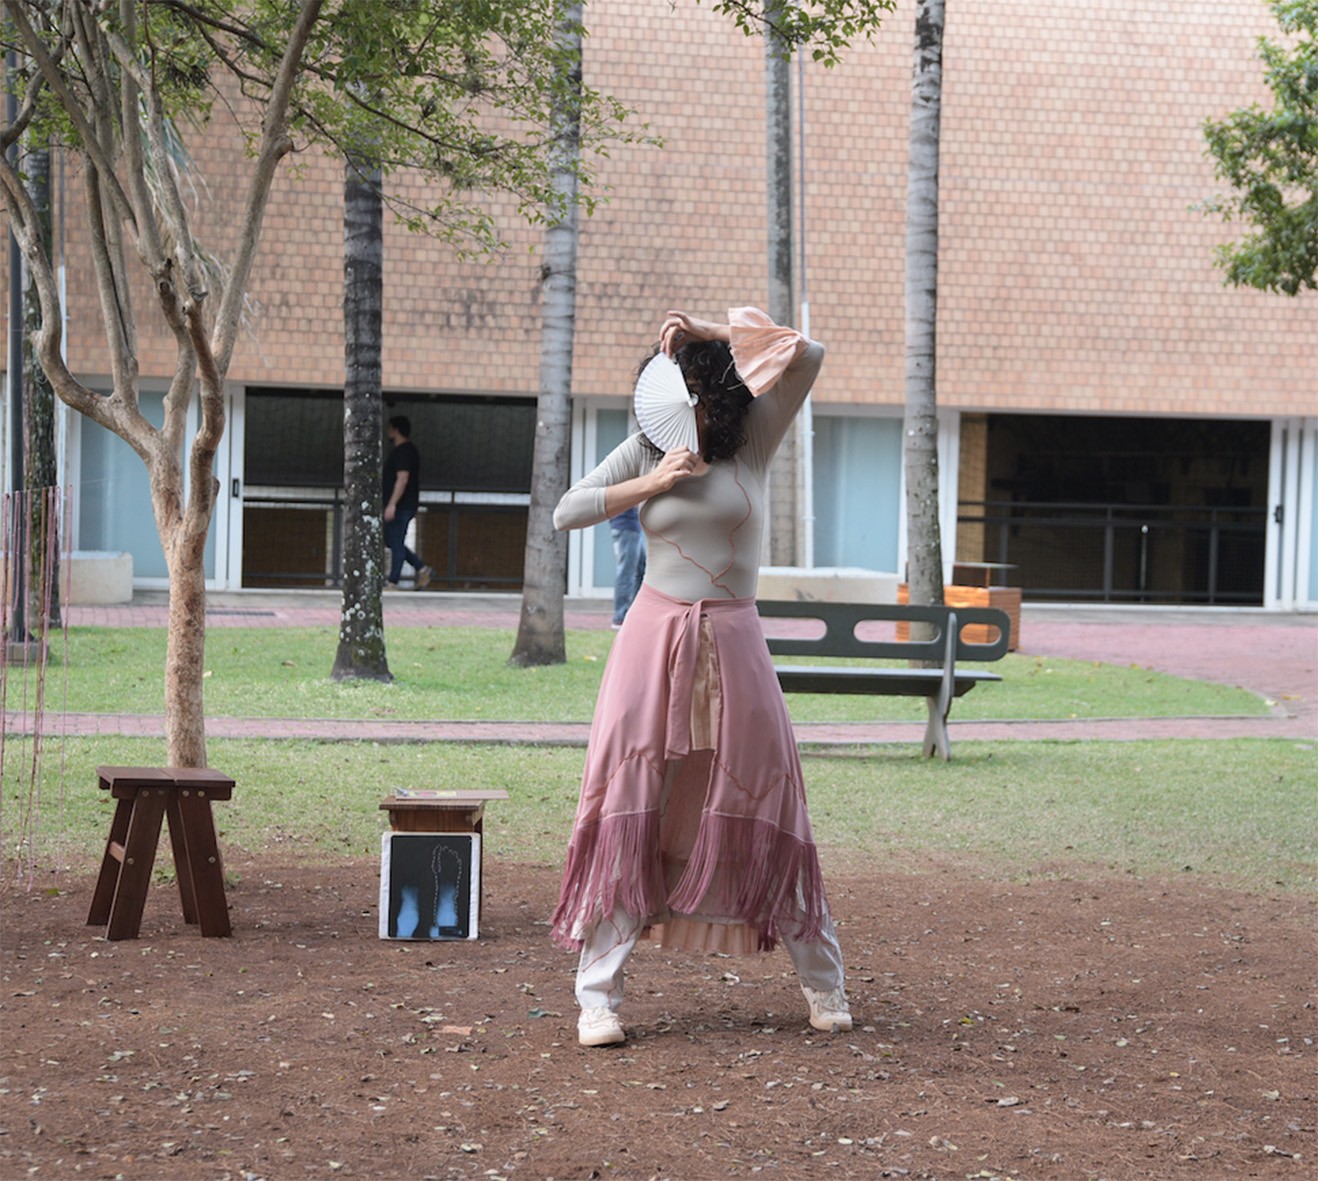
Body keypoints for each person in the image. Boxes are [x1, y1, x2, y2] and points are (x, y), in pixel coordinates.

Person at [550, 306, 850, 1048]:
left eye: (695, 384)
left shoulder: (755, 439)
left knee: (767, 795)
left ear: (718, 389)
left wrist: (712, 331)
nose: (687, 402)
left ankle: (824, 981)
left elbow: (806, 352)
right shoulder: (648, 445)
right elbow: (567, 510)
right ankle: (598, 998)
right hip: (653, 640)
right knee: (633, 798)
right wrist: (651, 479)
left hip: (736, 639)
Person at [382, 415, 433, 591]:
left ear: (396, 430)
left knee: (395, 541)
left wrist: (392, 504)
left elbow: (402, 478)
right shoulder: (405, 450)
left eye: (390, 428)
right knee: (392, 540)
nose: (388, 432)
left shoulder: (404, 451)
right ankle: (422, 568)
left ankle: (392, 582)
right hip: (401, 505)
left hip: (401, 505)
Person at [608, 507, 646, 627]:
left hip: (633, 527)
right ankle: (620, 617)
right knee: (626, 573)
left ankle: (637, 612)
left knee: (641, 571)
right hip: (626, 526)